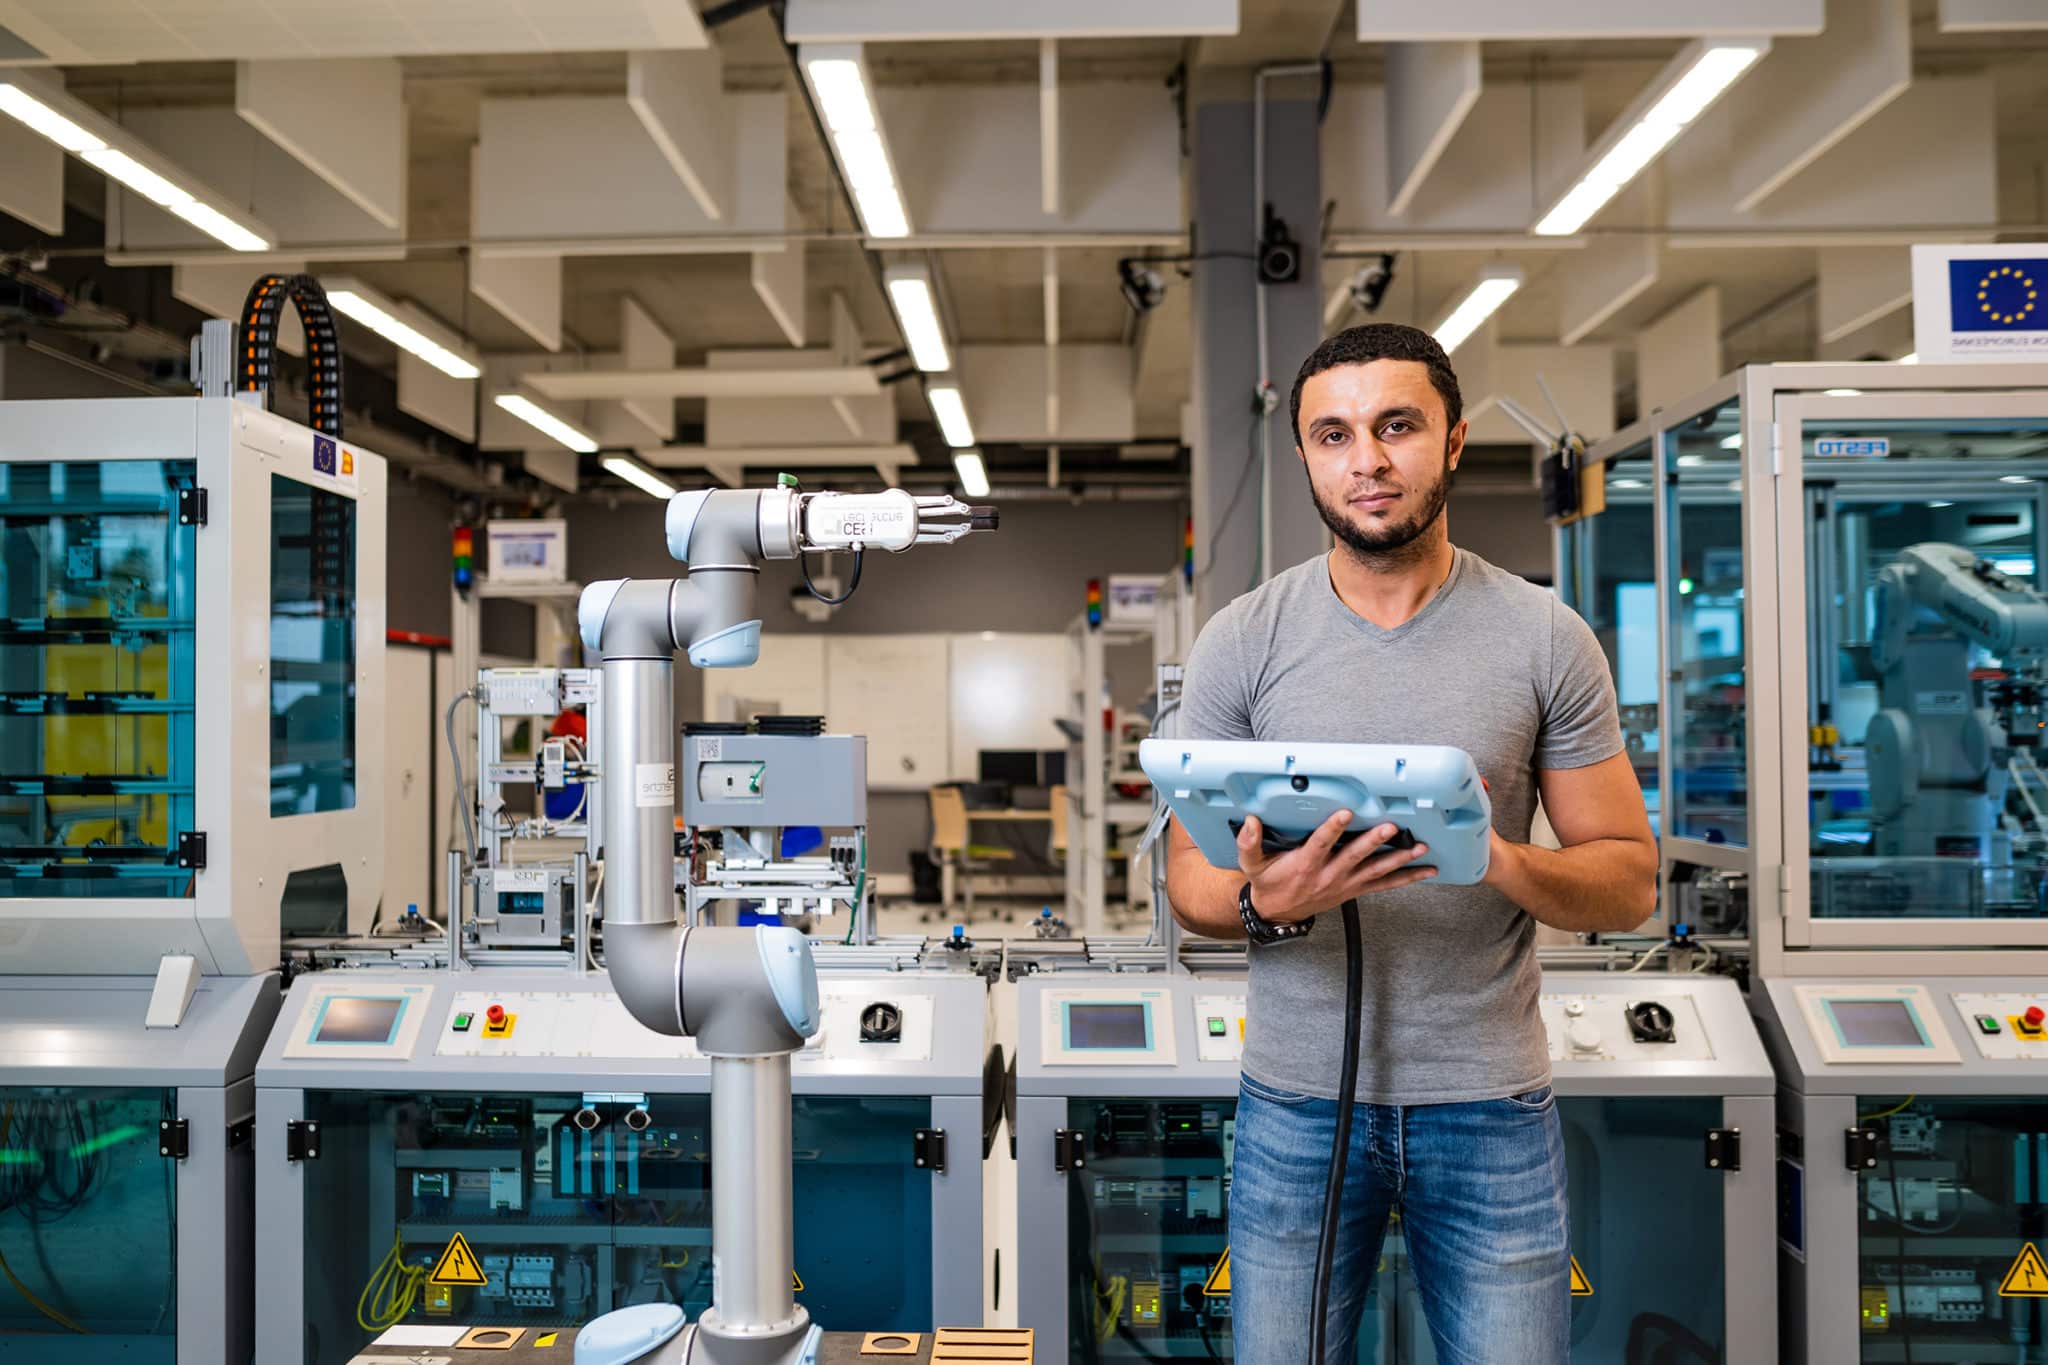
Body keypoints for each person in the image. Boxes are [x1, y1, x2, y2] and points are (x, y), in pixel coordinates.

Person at [1164, 323, 1657, 1364]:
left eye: (1396, 427)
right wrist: (1269, 897)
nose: (1368, 461)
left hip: (1490, 1107)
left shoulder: (1542, 637)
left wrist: (1495, 860)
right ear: (1303, 456)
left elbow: (1625, 884)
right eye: (1333, 435)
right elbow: (1189, 885)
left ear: (1453, 439)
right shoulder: (1243, 640)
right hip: (1295, 1106)